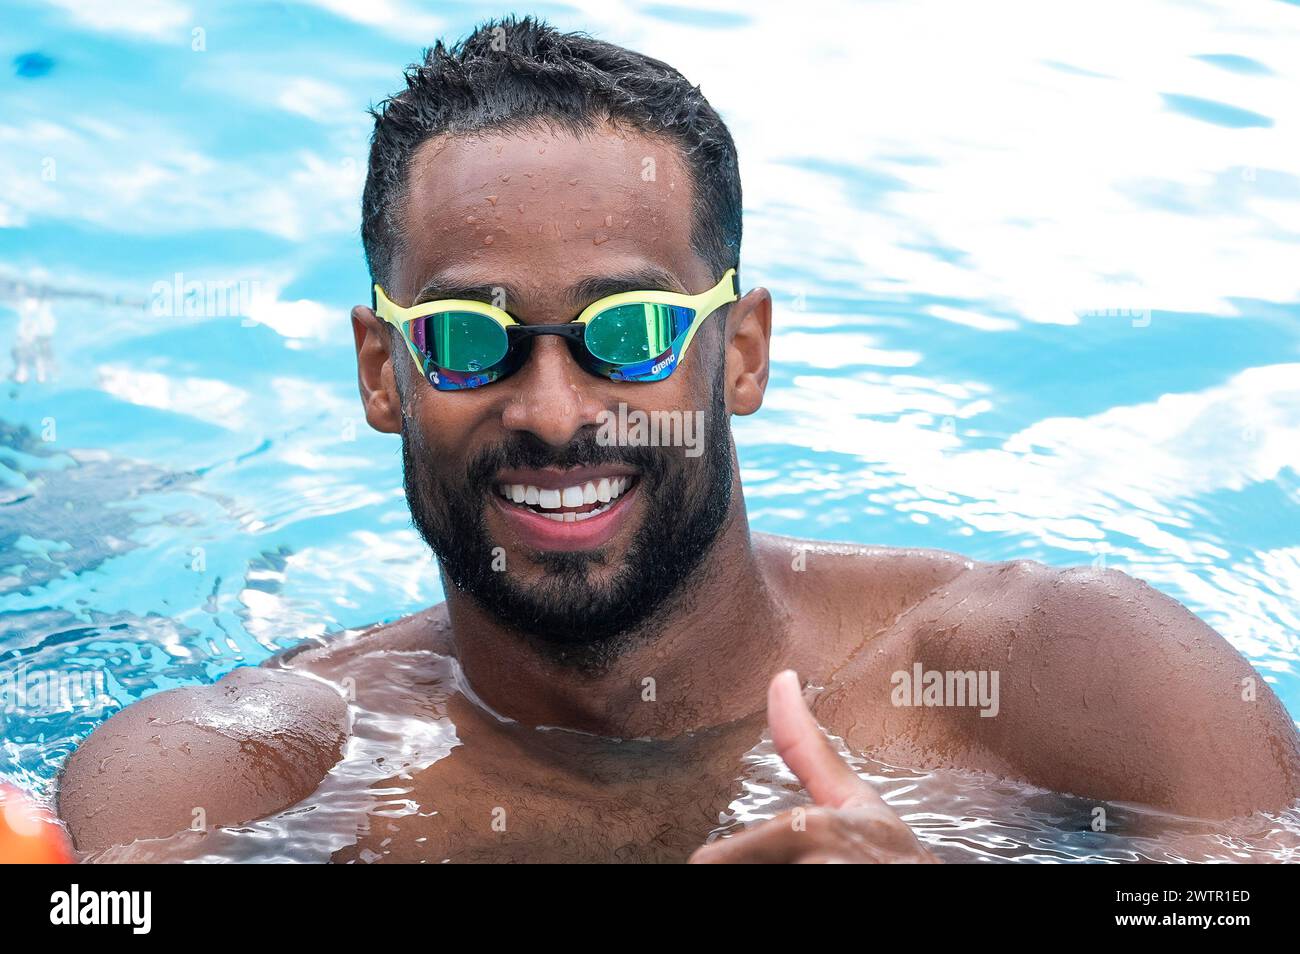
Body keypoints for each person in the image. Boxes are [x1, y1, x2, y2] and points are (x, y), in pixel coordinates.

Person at [57, 16, 1300, 863]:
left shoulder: (1072, 675)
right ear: (384, 374)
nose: (553, 411)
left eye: (633, 330)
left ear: (741, 352)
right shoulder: (236, 785)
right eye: (467, 338)